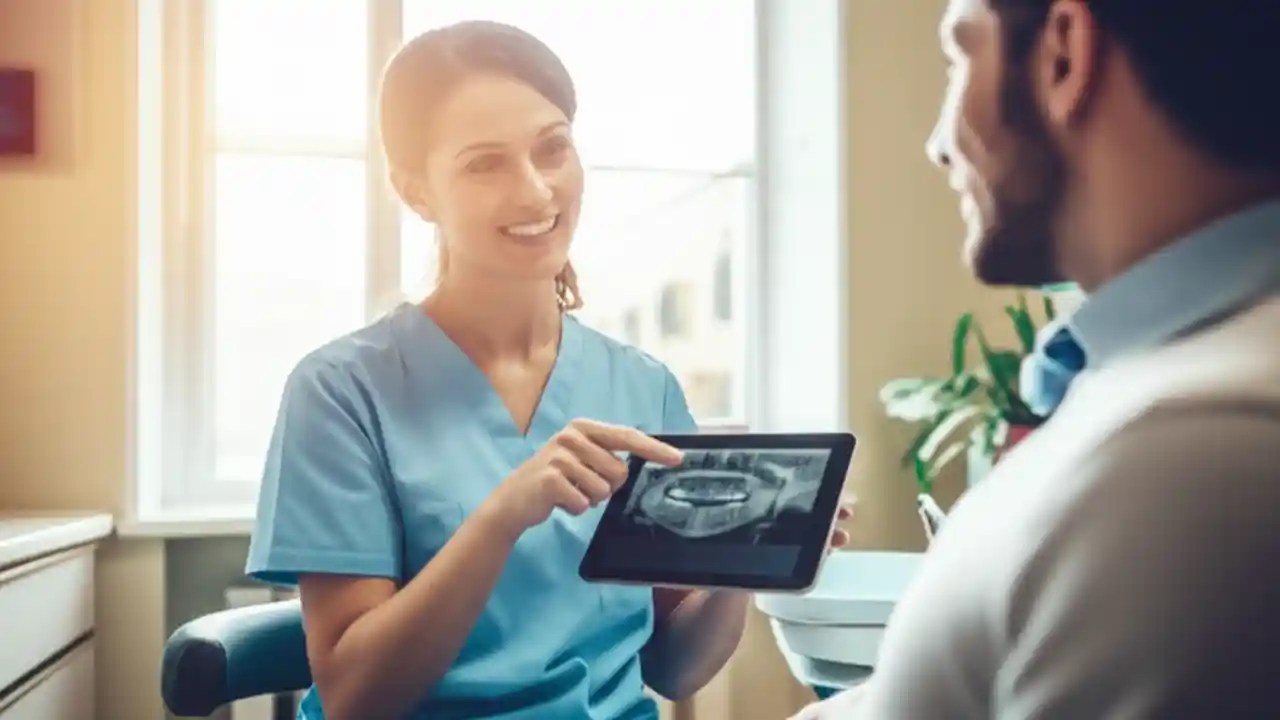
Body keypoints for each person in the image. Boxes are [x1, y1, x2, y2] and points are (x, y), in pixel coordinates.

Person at [244, 20, 852, 720]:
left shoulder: (642, 385)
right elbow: (355, 696)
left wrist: (745, 560)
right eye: (485, 164)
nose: (535, 192)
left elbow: (676, 669)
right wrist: (502, 517)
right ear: (415, 191)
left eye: (552, 148)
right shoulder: (340, 393)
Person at [794, 0, 1280, 718]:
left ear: (1063, 55)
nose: (939, 145)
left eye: (960, 58)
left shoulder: (1190, 462)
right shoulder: (1171, 393)